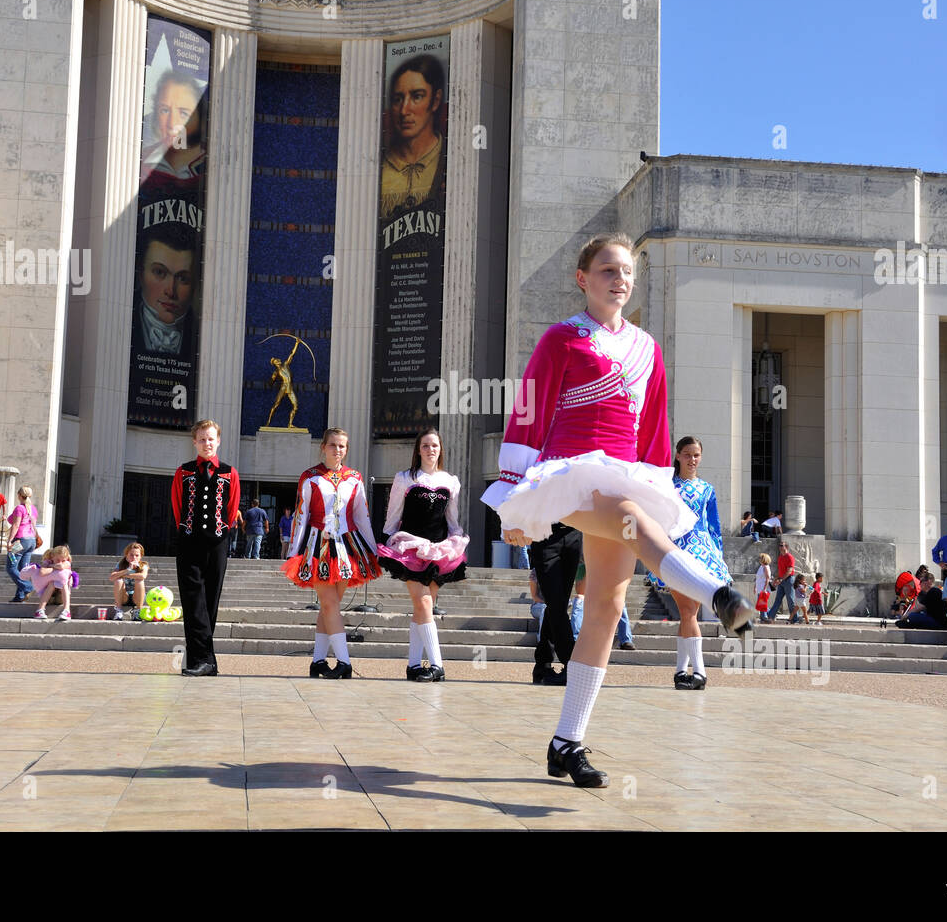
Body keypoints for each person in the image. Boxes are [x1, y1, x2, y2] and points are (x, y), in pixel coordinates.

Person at [481, 233, 754, 789]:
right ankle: (718, 595)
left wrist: (661, 482)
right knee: (629, 516)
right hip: (571, 473)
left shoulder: (647, 348)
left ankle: (566, 743)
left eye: (627, 271)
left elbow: (653, 426)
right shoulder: (562, 339)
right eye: (607, 270)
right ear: (583, 278)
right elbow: (528, 410)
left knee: (605, 604)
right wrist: (512, 491)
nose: (619, 279)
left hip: (628, 469)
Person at [283, 427, 380, 680]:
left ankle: (317, 661)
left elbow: (362, 516)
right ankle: (345, 662)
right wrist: (294, 552)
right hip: (318, 546)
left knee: (328, 607)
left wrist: (372, 549)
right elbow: (301, 516)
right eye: (333, 445)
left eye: (342, 446)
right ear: (323, 447)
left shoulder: (355, 477)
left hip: (348, 547)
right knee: (329, 603)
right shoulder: (310, 477)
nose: (338, 450)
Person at [377, 429, 468, 682]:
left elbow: (452, 519)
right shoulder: (405, 478)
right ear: (418, 450)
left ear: (441, 449)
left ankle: (414, 665)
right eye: (425, 446)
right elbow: (393, 514)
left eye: (434, 446)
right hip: (410, 547)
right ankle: (438, 665)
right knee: (425, 603)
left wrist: (455, 543)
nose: (430, 450)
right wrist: (388, 540)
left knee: (422, 608)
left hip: (439, 550)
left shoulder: (451, 481)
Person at [648, 436, 731, 690]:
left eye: (696, 455)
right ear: (677, 455)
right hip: (675, 551)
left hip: (703, 553)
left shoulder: (707, 489)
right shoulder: (667, 486)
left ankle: (682, 671)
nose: (692, 460)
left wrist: (717, 556)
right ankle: (699, 673)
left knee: (688, 613)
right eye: (687, 454)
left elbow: (713, 526)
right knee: (687, 611)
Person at [171, 419, 241, 677]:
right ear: (194, 442)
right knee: (193, 601)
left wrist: (221, 530)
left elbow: (232, 509)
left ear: (218, 441)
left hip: (217, 543)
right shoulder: (184, 471)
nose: (207, 443)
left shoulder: (229, 472)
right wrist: (187, 530)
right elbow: (177, 505)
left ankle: (201, 659)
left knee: (210, 602)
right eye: (202, 439)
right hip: (189, 542)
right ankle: (204, 659)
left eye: (211, 439)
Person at [379, 54, 446, 219]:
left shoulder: (448, 160)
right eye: (397, 99)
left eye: (417, 96)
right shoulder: (381, 165)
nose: (404, 110)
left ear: (435, 101)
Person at [133, 223, 199, 357]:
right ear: (141, 274)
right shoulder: (122, 323)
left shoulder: (201, 335)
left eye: (183, 278)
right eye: (159, 272)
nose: (170, 291)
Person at [529, 525, 582, 686]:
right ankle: (572, 663)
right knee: (556, 604)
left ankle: (542, 665)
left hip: (574, 532)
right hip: (545, 533)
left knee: (557, 605)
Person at [140, 69, 207, 184]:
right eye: (165, 111)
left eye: (183, 113)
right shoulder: (141, 160)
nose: (172, 124)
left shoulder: (211, 166)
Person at [22, 545, 76, 621]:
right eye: (57, 559)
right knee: (52, 582)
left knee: (63, 583)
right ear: (52, 557)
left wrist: (50, 567)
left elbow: (61, 566)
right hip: (49, 597)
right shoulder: (47, 562)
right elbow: (42, 572)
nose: (60, 562)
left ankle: (67, 610)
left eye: (63, 560)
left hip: (60, 597)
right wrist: (55, 568)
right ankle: (40, 610)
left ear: (66, 558)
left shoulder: (67, 563)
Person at [4, 487, 38, 603]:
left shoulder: (20, 508)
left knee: (10, 567)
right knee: (23, 570)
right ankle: (20, 596)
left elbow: (16, 525)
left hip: (20, 541)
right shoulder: (33, 509)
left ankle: (28, 587)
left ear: (19, 495)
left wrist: (9, 540)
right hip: (31, 541)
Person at [109, 542, 149, 619]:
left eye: (137, 555)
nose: (134, 557)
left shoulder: (143, 565)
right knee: (118, 581)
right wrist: (128, 569)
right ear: (126, 555)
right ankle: (119, 611)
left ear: (141, 556)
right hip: (124, 597)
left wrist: (125, 575)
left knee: (139, 580)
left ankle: (138, 611)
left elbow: (143, 576)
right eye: (131, 555)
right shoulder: (121, 565)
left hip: (137, 597)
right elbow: (112, 577)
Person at [763, 540, 796, 623]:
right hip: (782, 580)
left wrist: (780, 579)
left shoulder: (790, 557)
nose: (780, 547)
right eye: (780, 545)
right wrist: (775, 579)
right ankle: (770, 617)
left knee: (790, 601)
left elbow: (789, 571)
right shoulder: (780, 557)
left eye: (782, 545)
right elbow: (780, 570)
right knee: (777, 600)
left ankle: (795, 619)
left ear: (786, 547)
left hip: (789, 580)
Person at [754, 552, 773, 618]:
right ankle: (771, 613)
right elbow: (757, 578)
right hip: (760, 588)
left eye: (760, 558)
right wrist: (755, 587)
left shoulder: (765, 567)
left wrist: (764, 588)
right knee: (761, 603)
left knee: (762, 603)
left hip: (764, 588)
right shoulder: (761, 567)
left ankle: (764, 617)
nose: (759, 559)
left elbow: (768, 578)